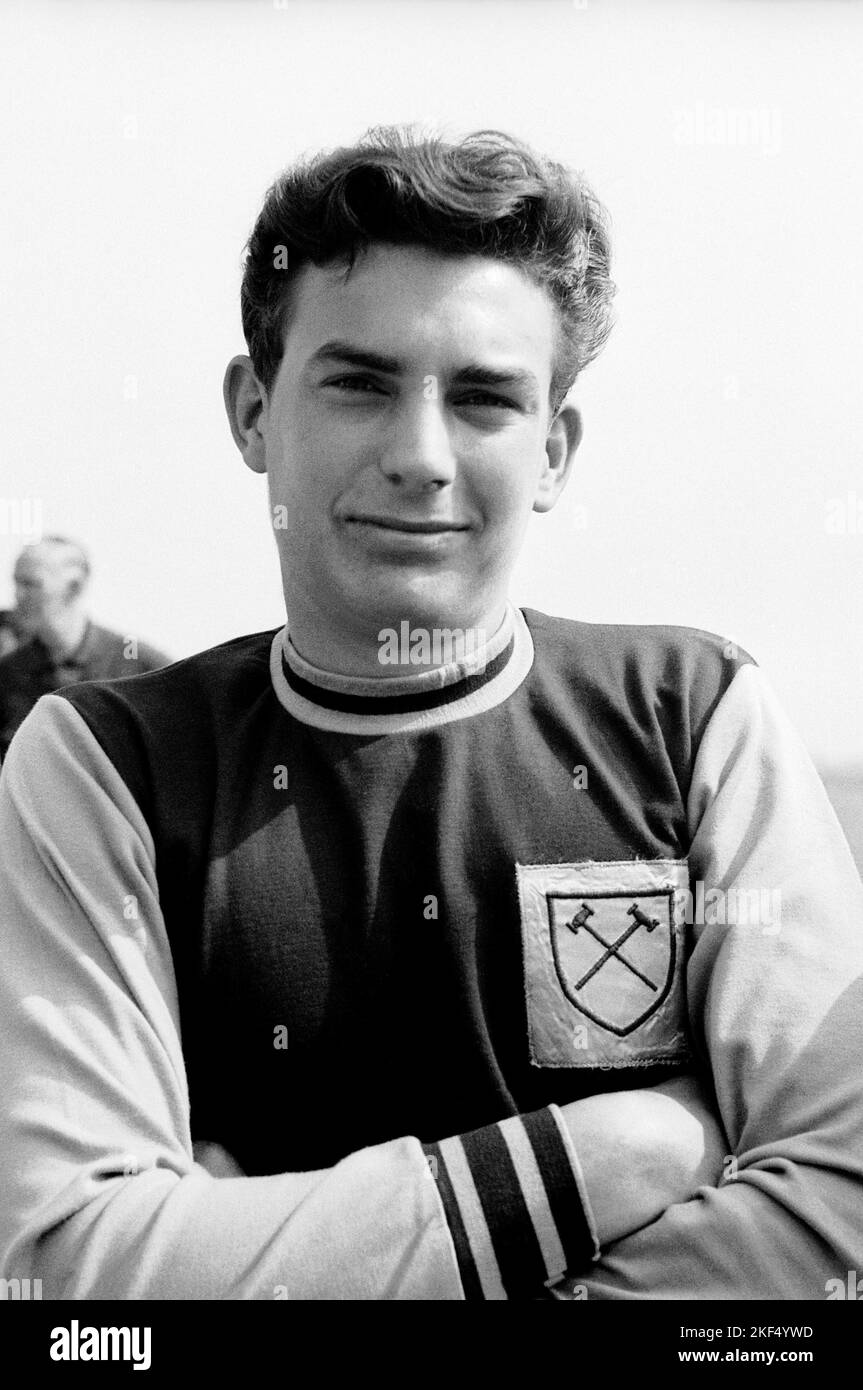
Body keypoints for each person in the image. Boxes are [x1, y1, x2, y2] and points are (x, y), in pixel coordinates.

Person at [0, 127, 861, 1302]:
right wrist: (604, 1160)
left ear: (553, 450)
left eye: (483, 399)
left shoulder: (695, 716)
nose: (419, 455)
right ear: (253, 411)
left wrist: (238, 1243)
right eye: (357, 383)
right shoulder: (105, 766)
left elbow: (835, 1219)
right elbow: (71, 1280)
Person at [0, 537, 171, 759]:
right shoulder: (7, 674)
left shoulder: (138, 663)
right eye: (17, 583)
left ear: (74, 587)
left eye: (31, 584)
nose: (18, 595)